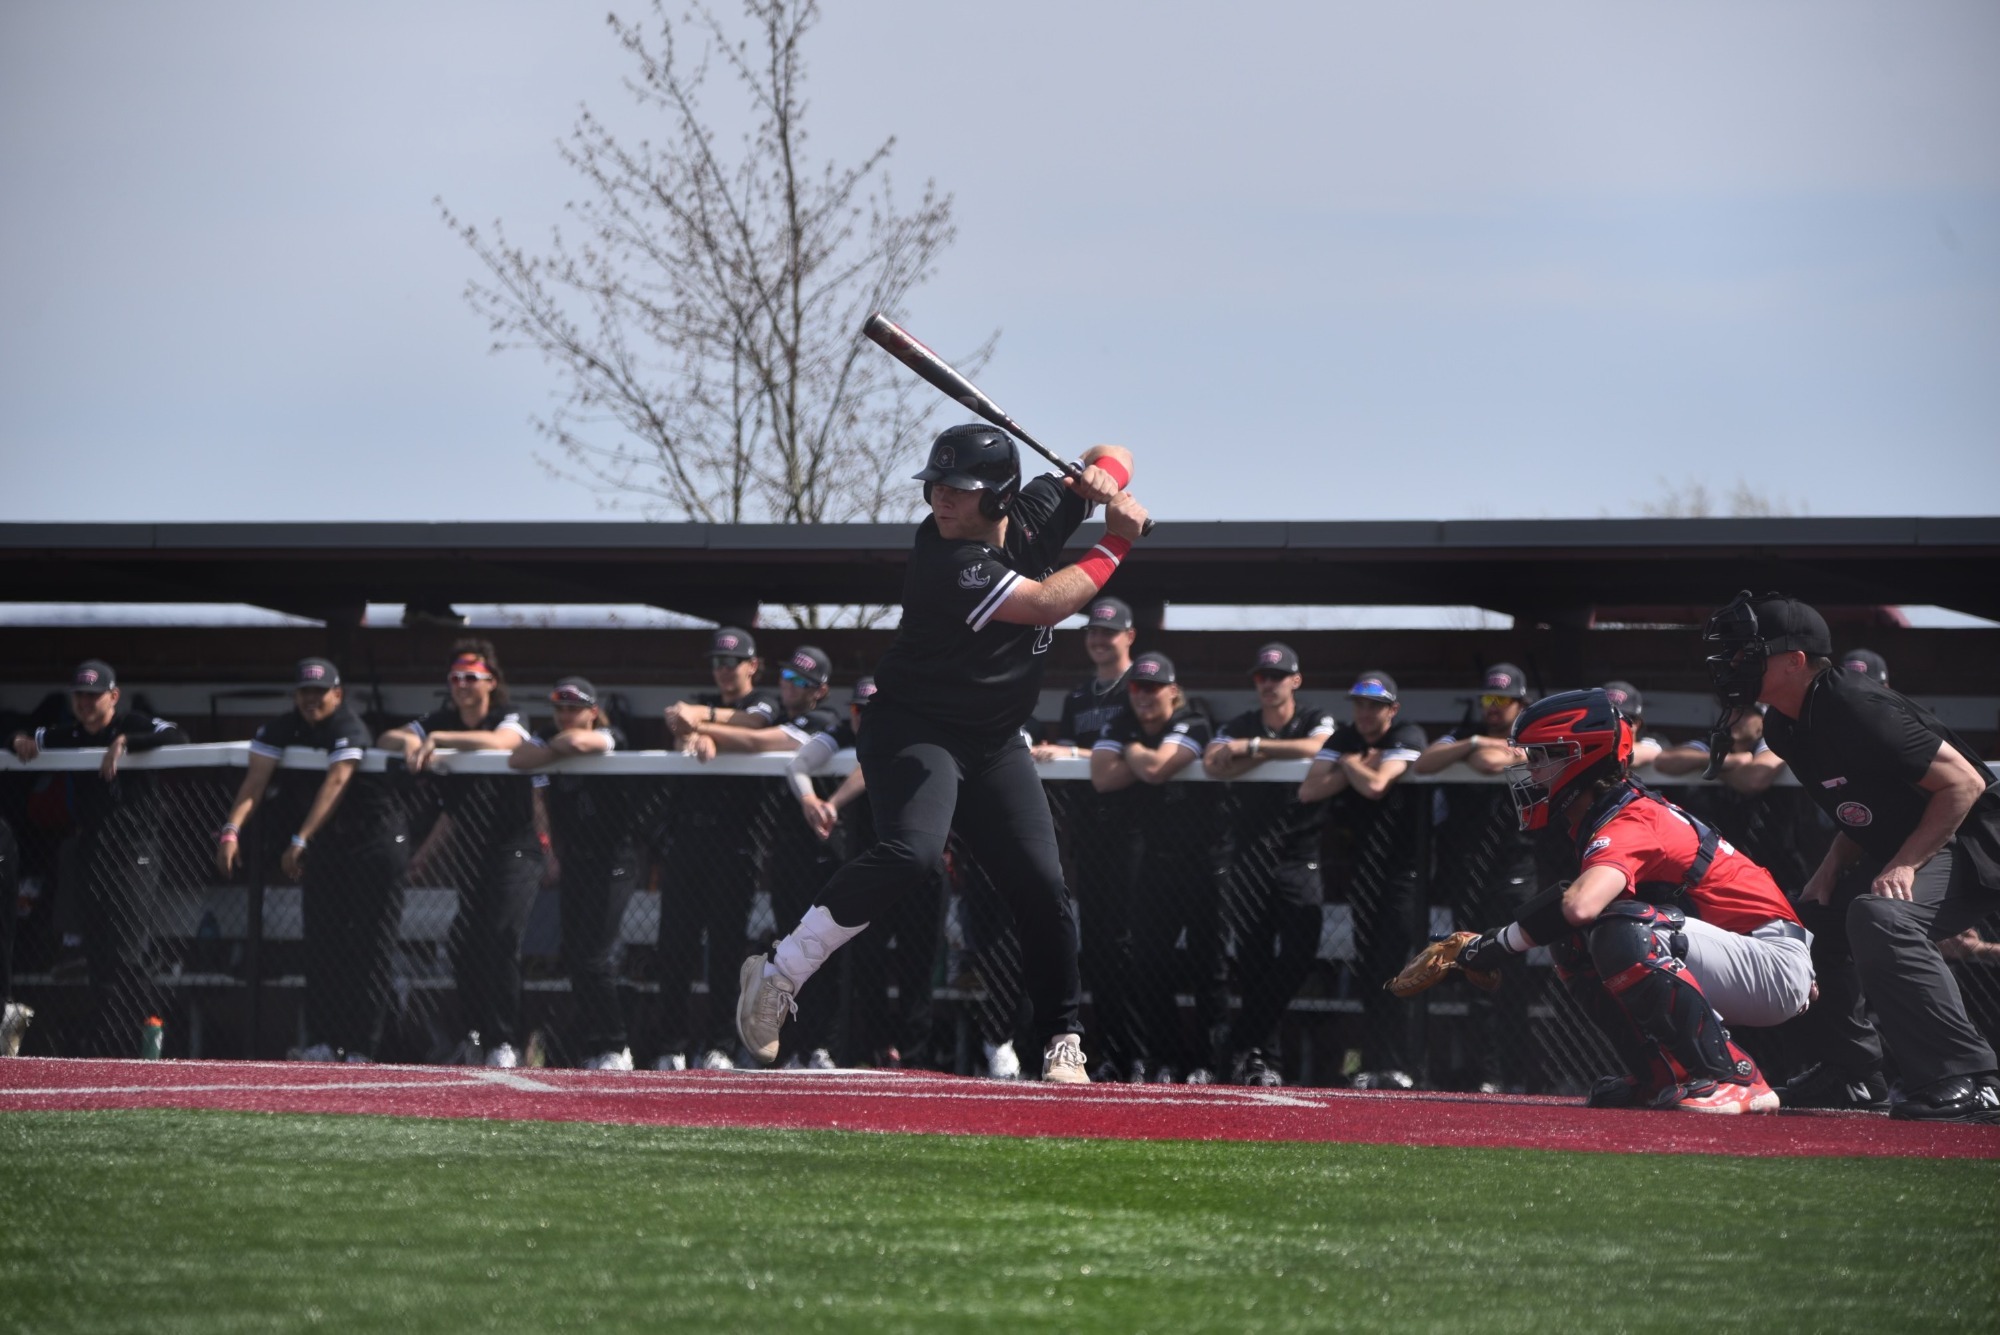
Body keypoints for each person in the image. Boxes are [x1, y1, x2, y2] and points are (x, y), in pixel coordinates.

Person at [736, 423, 1147, 1084]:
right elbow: (1046, 604)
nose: (940, 500)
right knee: (914, 852)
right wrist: (1118, 538)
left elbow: (1114, 449)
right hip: (913, 726)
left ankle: (1062, 1038)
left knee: (1043, 885)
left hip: (993, 739)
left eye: (958, 489)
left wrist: (1105, 477)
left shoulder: (1039, 505)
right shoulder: (945, 559)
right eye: (936, 485)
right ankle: (778, 972)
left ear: (1000, 498)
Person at [1703, 591, 2000, 1122]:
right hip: (1920, 839)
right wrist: (1829, 870)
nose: (1733, 664)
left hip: (1977, 843)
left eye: (1748, 653)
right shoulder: (1784, 724)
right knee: (1808, 923)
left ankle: (1972, 1079)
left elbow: (1964, 783)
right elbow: (1861, 806)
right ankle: (1854, 1077)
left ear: (1795, 661)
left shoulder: (1854, 704)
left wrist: (1904, 864)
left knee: (1881, 916)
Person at [1455, 688, 1802, 1114]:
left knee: (1619, 926)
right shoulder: (1611, 811)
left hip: (1771, 960)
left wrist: (1495, 945)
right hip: (1744, 954)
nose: (1531, 769)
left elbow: (1579, 905)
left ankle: (1735, 1076)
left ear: (1582, 757)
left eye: (1542, 757)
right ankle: (1663, 1077)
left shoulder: (1630, 817)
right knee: (1577, 939)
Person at [219, 658, 407, 1062]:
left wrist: (301, 837)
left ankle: (363, 1048)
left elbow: (338, 779)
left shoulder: (349, 726)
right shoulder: (283, 727)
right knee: (322, 946)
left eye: (320, 692)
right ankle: (323, 1042)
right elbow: (256, 780)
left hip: (374, 841)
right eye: (305, 691)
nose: (311, 699)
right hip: (329, 845)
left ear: (337, 694)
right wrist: (231, 829)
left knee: (369, 950)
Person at [9, 660, 187, 1055]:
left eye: (94, 695)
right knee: (96, 953)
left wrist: (125, 742)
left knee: (129, 953)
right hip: (92, 854)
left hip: (134, 852)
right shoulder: (69, 733)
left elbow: (178, 735)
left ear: (113, 696)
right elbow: (25, 734)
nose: (86, 703)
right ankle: (107, 1042)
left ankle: (138, 1041)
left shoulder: (133, 721)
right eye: (80, 695)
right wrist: (21, 739)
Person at [378, 641, 535, 1068]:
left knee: (502, 938)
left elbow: (503, 742)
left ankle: (506, 1040)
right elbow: (389, 737)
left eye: (471, 678)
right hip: (472, 850)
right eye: (455, 679)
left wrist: (440, 738)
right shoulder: (438, 720)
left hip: (516, 848)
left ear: (491, 682)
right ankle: (477, 1034)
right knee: (464, 942)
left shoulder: (508, 716)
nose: (462, 686)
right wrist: (413, 742)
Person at [786, 677, 944, 1068]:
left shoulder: (911, 730)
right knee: (865, 960)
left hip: (919, 868)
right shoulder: (842, 730)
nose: (863, 719)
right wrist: (809, 797)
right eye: (857, 710)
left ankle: (913, 1058)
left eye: (871, 712)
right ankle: (873, 1050)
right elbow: (799, 763)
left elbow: (870, 766)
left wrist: (834, 802)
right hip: (872, 870)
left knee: (917, 964)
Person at [1202, 643, 1337, 1085]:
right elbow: (1214, 763)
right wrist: (1258, 750)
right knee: (1253, 960)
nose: (1268, 684)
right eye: (1261, 677)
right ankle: (1264, 1061)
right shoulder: (1239, 723)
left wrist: (1253, 748)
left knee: (1300, 953)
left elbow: (1319, 747)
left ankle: (1239, 1037)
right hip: (1249, 855)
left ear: (1295, 681)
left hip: (1300, 856)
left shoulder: (1314, 717)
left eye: (1277, 677)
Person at [652, 627, 782, 1070]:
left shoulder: (762, 700)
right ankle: (671, 1044)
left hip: (737, 841)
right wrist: (691, 730)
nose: (724, 671)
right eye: (718, 663)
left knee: (727, 949)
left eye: (732, 662)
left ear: (752, 665)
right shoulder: (695, 698)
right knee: (675, 944)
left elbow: (758, 726)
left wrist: (706, 726)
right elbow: (679, 731)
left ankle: (721, 1046)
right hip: (688, 839)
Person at [1413, 662, 1544, 1092]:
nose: (1493, 707)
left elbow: (1492, 764)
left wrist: (1489, 751)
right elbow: (1427, 761)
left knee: (1513, 979)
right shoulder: (1463, 733)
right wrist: (1472, 742)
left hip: (1515, 874)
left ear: (1521, 704)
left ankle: (1516, 1074)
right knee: (1473, 971)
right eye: (1488, 699)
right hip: (1468, 876)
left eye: (1502, 701)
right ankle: (1485, 1074)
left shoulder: (1535, 738)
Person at [1090, 652, 1216, 1082]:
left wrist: (1131, 752)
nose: (1144, 696)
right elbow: (1102, 778)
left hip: (1203, 865)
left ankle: (1206, 1062)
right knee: (1147, 963)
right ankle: (1162, 1058)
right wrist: (1141, 758)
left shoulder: (1194, 721)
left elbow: (1160, 769)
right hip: (1151, 868)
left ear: (1173, 691)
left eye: (1154, 687)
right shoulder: (1120, 722)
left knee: (1207, 965)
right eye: (1138, 687)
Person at [1033, 595, 1144, 1080]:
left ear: (1130, 637)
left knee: (1135, 947)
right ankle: (1110, 1053)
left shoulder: (1143, 687)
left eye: (1109, 632)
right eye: (1092, 632)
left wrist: (1072, 750)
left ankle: (1141, 1054)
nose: (1099, 640)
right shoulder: (1077, 697)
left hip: (1140, 836)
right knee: (1097, 947)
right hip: (1090, 838)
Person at [1299, 671, 1427, 1088]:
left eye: (1375, 705)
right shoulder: (1345, 738)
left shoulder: (1408, 732)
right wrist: (1354, 762)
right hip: (1363, 870)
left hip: (1405, 870)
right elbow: (1310, 790)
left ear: (1393, 709)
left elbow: (1375, 785)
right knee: (1370, 969)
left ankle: (1404, 1065)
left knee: (1402, 966)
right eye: (1359, 704)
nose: (1365, 713)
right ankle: (1374, 1063)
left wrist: (1353, 765)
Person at [509, 676, 640, 1072]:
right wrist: (553, 745)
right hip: (577, 859)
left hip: (615, 859)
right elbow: (518, 760)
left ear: (593, 711)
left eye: (574, 708)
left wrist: (553, 745)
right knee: (576, 954)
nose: (565, 716)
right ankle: (595, 1043)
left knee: (596, 956)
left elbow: (584, 743)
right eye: (559, 708)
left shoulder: (613, 733)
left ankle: (617, 1044)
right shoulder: (551, 735)